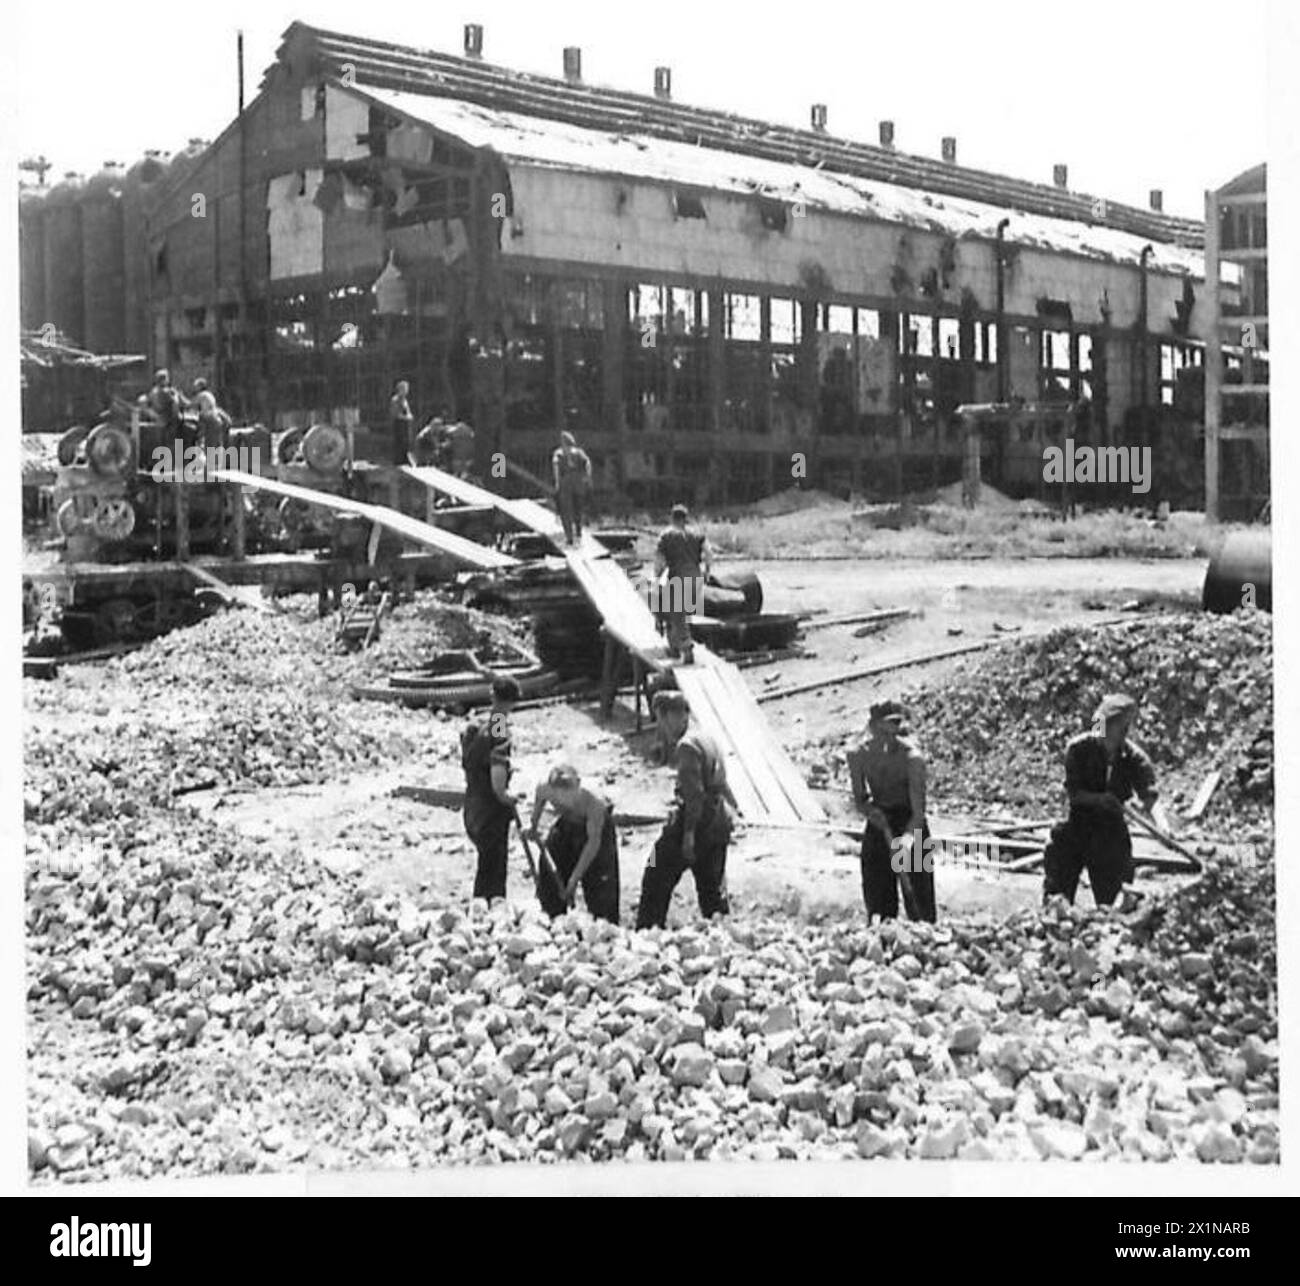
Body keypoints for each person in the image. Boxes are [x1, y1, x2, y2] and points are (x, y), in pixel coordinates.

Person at [1042, 693, 1160, 907]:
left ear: (1123, 729)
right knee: (1057, 891)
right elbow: (1074, 794)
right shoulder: (1078, 749)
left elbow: (1150, 797)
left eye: (1110, 727)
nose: (1101, 734)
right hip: (1077, 823)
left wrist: (1160, 825)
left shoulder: (1134, 758)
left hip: (1110, 831)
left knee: (1115, 901)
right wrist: (1102, 799)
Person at [636, 691, 736, 929]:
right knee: (711, 887)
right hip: (718, 821)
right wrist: (734, 810)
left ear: (669, 716)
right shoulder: (705, 736)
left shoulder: (687, 746)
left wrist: (688, 835)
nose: (660, 727)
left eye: (660, 719)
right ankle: (721, 934)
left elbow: (695, 796)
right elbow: (720, 782)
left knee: (654, 870)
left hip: (695, 822)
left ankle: (648, 930)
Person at [848, 699, 936, 922]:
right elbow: (860, 800)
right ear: (872, 728)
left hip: (911, 822)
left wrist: (907, 840)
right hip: (880, 821)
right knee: (878, 894)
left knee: (920, 897)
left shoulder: (912, 759)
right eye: (883, 731)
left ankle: (925, 936)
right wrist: (872, 814)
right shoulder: (858, 756)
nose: (890, 737)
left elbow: (919, 813)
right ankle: (881, 936)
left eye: (894, 729)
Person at [527, 764, 620, 923]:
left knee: (599, 885)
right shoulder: (546, 789)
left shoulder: (593, 804)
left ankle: (604, 927)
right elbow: (540, 798)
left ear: (578, 784)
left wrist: (573, 880)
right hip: (567, 824)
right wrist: (533, 826)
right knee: (549, 870)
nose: (565, 798)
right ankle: (554, 918)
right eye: (560, 793)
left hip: (596, 833)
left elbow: (592, 846)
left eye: (569, 792)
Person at [460, 675, 522, 901]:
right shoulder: (499, 730)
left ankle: (479, 913)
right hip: (490, 810)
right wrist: (506, 797)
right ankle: (490, 917)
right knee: (493, 873)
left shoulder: (474, 727)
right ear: (513, 702)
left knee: (484, 866)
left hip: (472, 806)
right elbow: (497, 771)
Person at [654, 503, 708, 664]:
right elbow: (709, 553)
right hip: (695, 577)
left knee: (676, 613)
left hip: (678, 577)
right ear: (686, 518)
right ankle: (675, 647)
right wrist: (708, 571)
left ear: (672, 517)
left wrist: (657, 578)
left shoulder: (666, 535)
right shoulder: (697, 534)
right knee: (682, 613)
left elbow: (659, 561)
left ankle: (686, 646)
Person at [552, 431, 593, 545]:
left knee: (566, 510)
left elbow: (556, 466)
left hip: (565, 482)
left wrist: (557, 482)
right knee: (578, 507)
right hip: (578, 481)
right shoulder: (579, 452)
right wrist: (587, 477)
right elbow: (587, 463)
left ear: (563, 442)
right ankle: (579, 532)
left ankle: (569, 537)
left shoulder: (559, 453)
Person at [388, 380, 414, 466]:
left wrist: (410, 416)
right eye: (404, 388)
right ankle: (398, 462)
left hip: (405, 426)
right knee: (399, 444)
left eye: (407, 389)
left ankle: (406, 459)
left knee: (406, 443)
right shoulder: (395, 400)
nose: (406, 390)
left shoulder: (405, 400)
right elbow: (395, 414)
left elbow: (408, 412)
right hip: (398, 425)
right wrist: (406, 417)